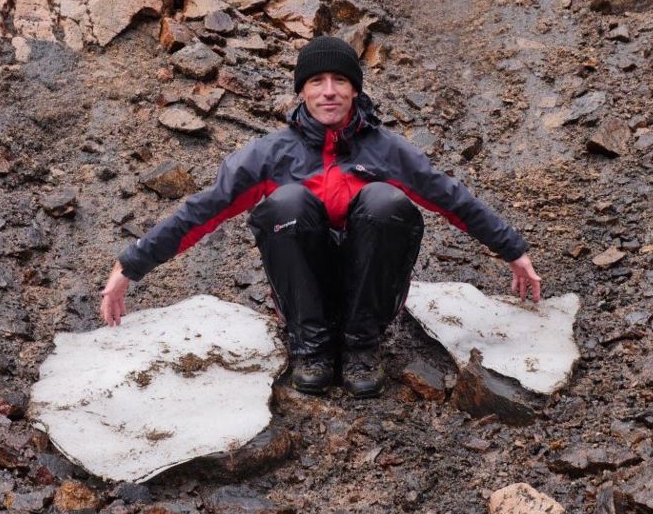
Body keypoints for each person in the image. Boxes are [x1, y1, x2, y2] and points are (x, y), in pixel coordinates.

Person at [101, 36, 542, 399]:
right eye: (316, 81)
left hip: (369, 283)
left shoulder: (386, 150)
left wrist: (513, 250)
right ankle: (310, 346)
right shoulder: (270, 154)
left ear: (355, 90)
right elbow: (203, 210)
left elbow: (452, 197)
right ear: (302, 91)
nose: (328, 90)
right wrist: (131, 265)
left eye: (339, 81)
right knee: (285, 204)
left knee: (387, 204)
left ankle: (360, 346)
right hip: (305, 285)